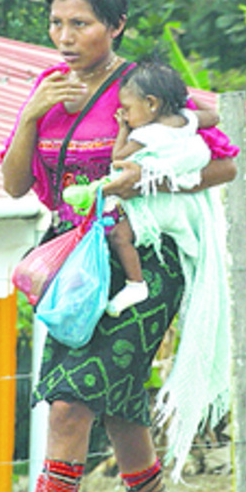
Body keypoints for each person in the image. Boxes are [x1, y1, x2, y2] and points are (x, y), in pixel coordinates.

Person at [0, 0, 237, 492]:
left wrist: (146, 183)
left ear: (116, 26)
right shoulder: (46, 88)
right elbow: (12, 185)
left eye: (80, 24)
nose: (65, 36)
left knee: (69, 409)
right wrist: (32, 113)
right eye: (56, 23)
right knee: (123, 415)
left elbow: (223, 163)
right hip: (73, 263)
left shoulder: (144, 88)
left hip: (142, 263)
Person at [64, 59, 221, 318]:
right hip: (181, 203)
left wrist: (123, 130)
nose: (124, 114)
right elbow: (214, 116)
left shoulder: (146, 135)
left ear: (151, 103)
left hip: (154, 205)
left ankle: (135, 284)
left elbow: (119, 159)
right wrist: (185, 97)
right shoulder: (185, 119)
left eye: (127, 108)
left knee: (119, 237)